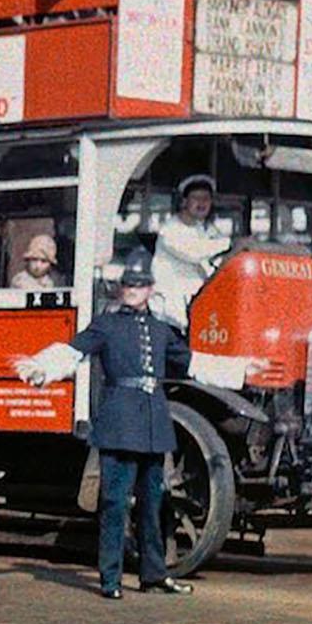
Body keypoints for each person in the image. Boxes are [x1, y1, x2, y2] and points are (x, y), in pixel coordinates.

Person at [69, 248, 194, 600]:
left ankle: (153, 575)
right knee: (114, 504)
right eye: (128, 286)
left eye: (139, 286)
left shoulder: (161, 329)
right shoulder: (106, 325)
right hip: (119, 424)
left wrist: (243, 369)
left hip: (153, 426)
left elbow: (191, 361)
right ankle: (110, 578)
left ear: (151, 289)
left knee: (154, 505)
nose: (132, 291)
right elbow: (74, 350)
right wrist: (41, 366)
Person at [152, 174, 230, 330]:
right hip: (169, 317)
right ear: (184, 201)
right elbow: (193, 252)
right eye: (196, 198)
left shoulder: (208, 230)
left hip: (197, 313)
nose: (202, 203)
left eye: (206, 198)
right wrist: (231, 243)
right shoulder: (170, 229)